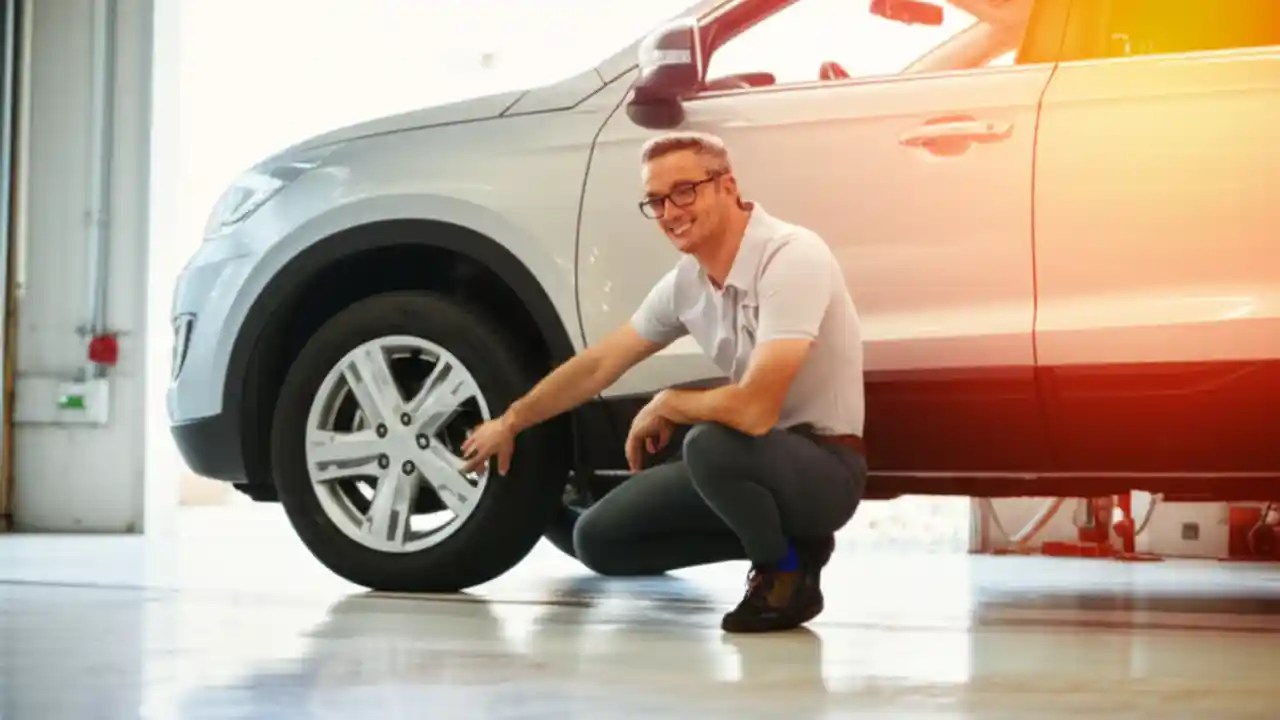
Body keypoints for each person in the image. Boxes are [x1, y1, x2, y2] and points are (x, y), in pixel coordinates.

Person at [461, 131, 867, 633]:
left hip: (824, 467)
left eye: (684, 191)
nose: (671, 211)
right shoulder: (687, 284)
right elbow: (600, 364)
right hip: (748, 465)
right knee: (597, 541)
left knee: (707, 445)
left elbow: (756, 410)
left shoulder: (791, 256)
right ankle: (793, 541)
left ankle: (784, 576)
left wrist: (673, 401)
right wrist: (511, 422)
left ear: (727, 186)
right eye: (656, 200)